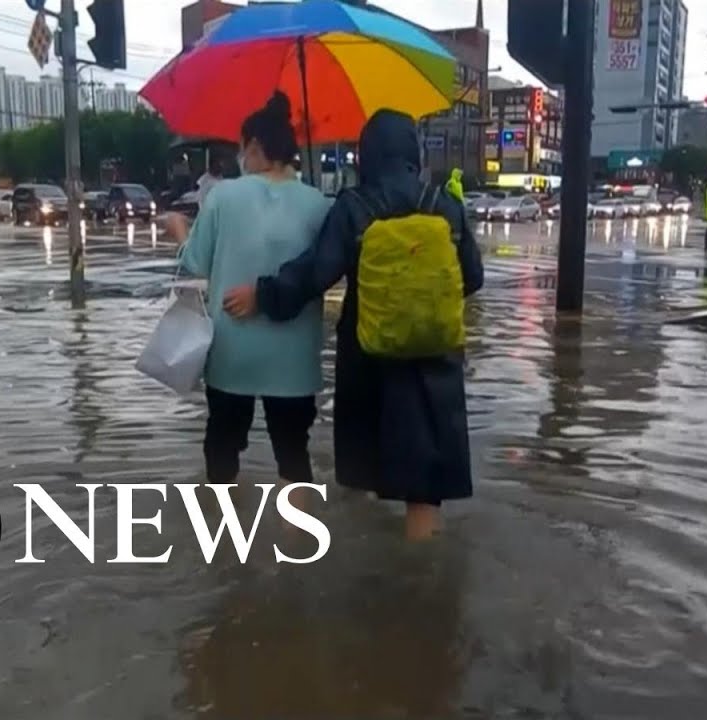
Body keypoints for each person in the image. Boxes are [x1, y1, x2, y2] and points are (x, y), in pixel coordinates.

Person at [222, 109, 485, 540]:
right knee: (422, 494)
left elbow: (314, 274)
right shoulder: (447, 207)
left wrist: (263, 295)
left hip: (370, 360)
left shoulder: (355, 207)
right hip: (436, 362)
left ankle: (362, 581)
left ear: (366, 156)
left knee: (364, 478)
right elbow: (472, 279)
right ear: (413, 155)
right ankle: (425, 583)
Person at [162, 91, 331, 490]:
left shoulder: (224, 197)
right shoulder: (319, 204)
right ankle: (298, 544)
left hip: (232, 355)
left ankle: (223, 544)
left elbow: (195, 263)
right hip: (295, 363)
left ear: (254, 147)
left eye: (243, 151)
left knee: (222, 451)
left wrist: (180, 231)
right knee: (294, 457)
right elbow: (324, 273)